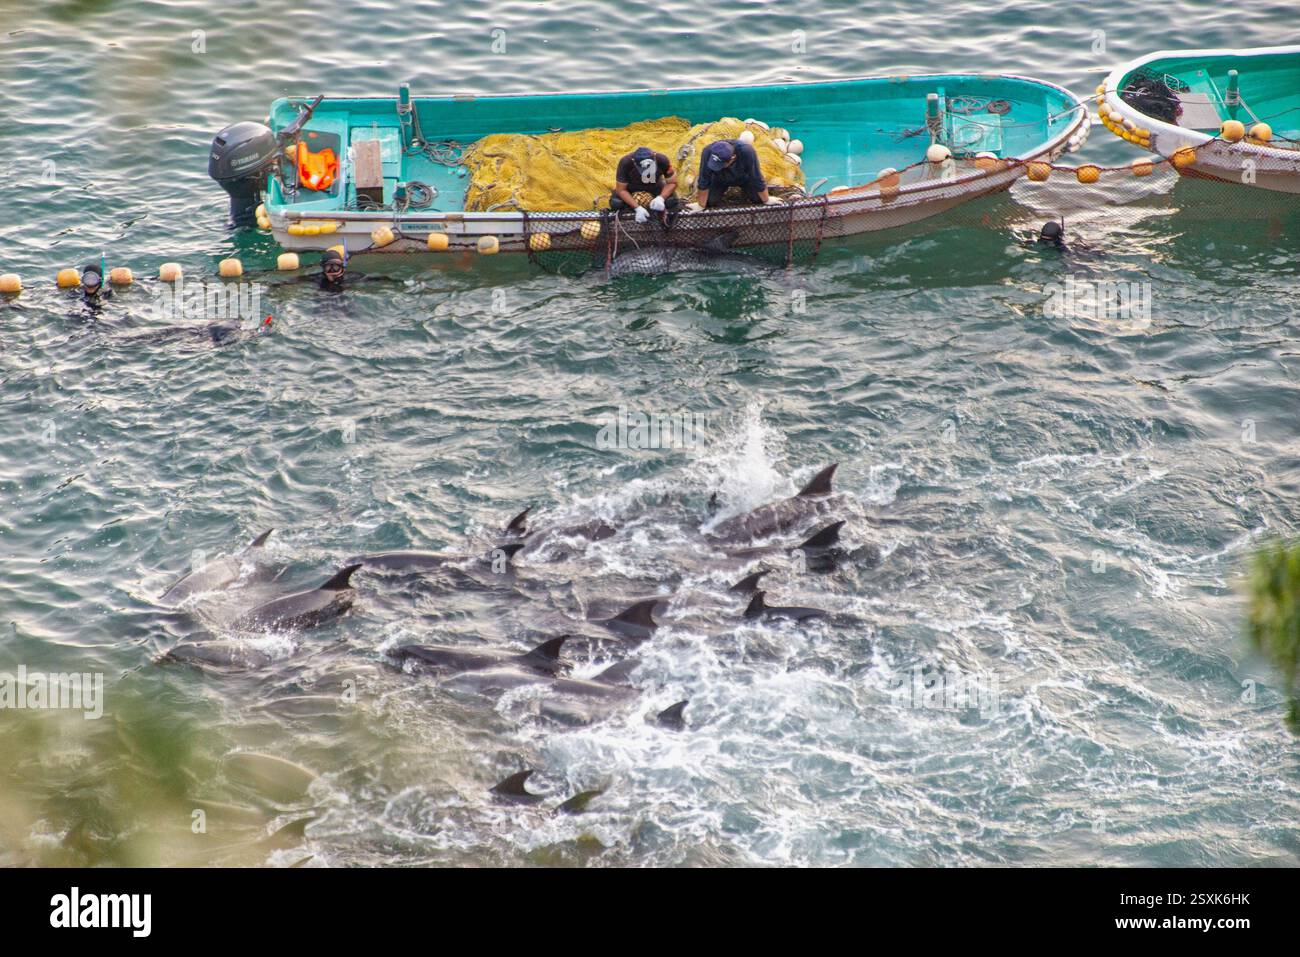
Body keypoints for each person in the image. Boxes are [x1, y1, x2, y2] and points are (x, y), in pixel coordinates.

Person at [691, 140, 782, 210]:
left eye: (720, 165)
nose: (718, 166)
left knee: (758, 199)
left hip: (744, 178)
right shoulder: (707, 151)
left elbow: (756, 177)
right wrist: (701, 205)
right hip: (719, 178)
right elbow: (704, 179)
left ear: (732, 158)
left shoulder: (747, 151)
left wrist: (766, 200)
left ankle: (755, 192)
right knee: (709, 202)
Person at [611, 146, 678, 223]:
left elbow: (672, 182)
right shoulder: (626, 162)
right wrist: (637, 208)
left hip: (655, 187)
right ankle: (628, 219)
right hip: (632, 189)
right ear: (634, 161)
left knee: (671, 201)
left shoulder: (661, 159)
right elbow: (621, 190)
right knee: (615, 203)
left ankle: (665, 222)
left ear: (654, 157)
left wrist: (661, 198)